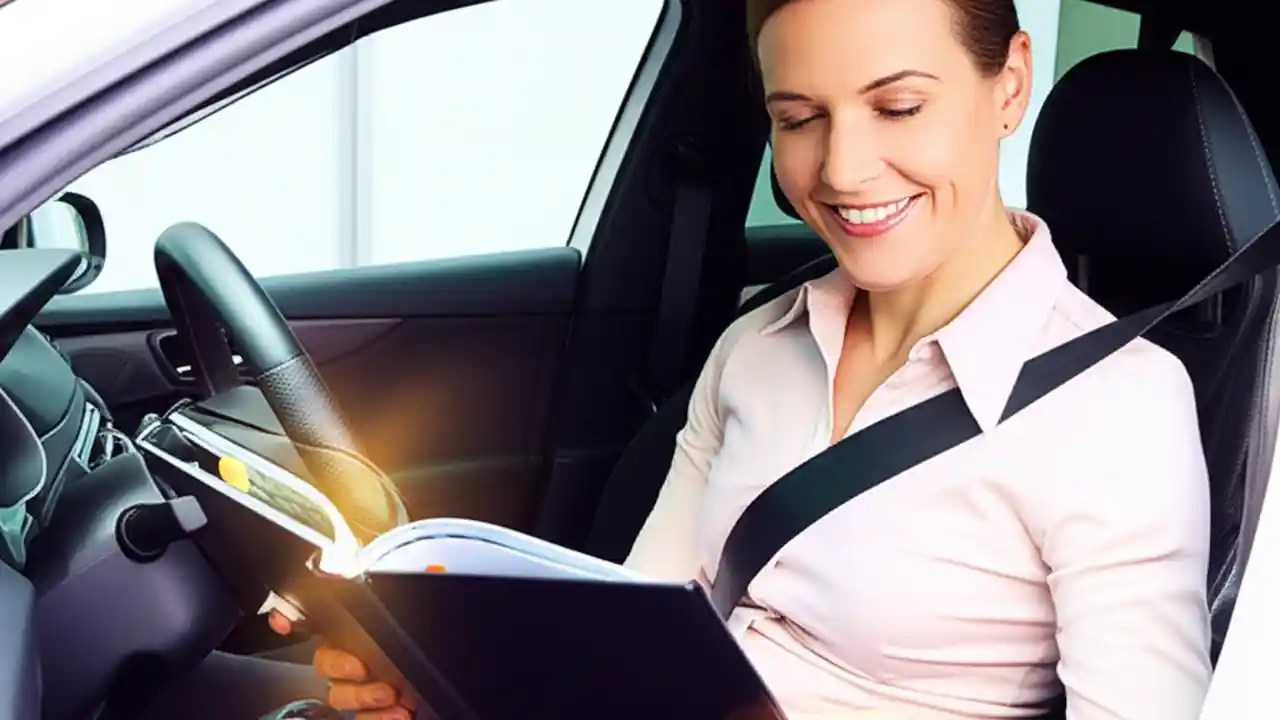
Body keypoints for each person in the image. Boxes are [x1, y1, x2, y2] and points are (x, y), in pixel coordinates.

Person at [266, 0, 1214, 717]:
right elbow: (632, 638)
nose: (841, 170)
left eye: (897, 106)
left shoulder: (1115, 407)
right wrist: (444, 683)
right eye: (799, 118)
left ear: (1009, 83)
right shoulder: (757, 345)